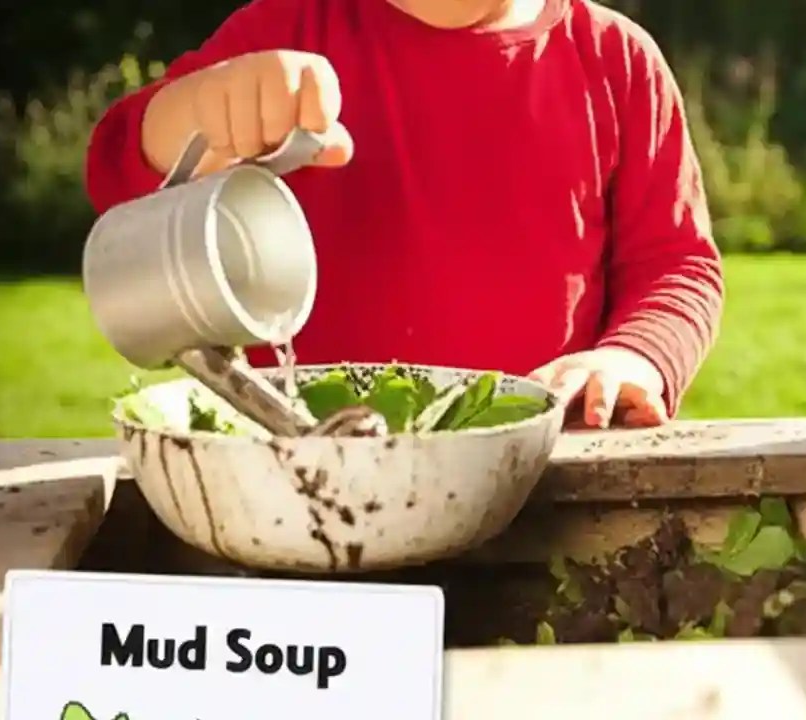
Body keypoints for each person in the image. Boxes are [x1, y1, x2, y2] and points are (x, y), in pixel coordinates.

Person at [85, 0, 724, 430]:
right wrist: (193, 117)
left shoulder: (616, 62)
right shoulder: (283, 33)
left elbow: (677, 266)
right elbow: (118, 178)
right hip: (304, 479)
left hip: (549, 472)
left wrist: (633, 359)